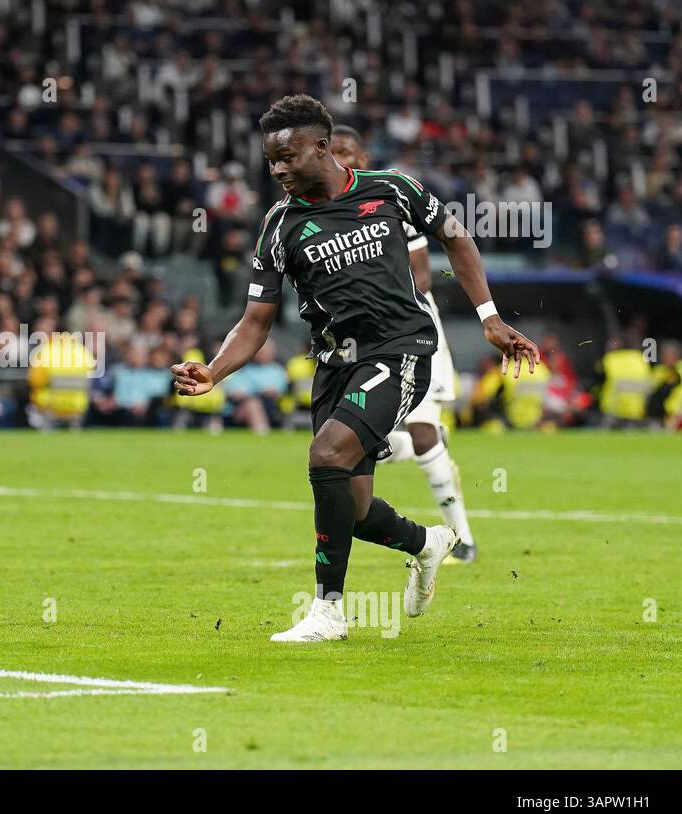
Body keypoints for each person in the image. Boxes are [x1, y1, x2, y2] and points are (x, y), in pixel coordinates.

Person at [172, 95, 538, 643]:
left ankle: (328, 610)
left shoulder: (389, 187)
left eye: (288, 157)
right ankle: (425, 543)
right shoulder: (279, 226)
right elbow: (255, 322)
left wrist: (488, 317)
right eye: (271, 161)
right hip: (334, 362)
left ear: (321, 148)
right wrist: (215, 371)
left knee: (325, 454)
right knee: (354, 506)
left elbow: (455, 236)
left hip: (401, 347)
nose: (278, 170)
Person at [330, 125, 479, 562]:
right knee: (346, 438)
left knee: (421, 429)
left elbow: (423, 277)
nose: (343, 159)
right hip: (363, 338)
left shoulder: (386, 202)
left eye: (349, 151)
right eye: (335, 152)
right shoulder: (323, 215)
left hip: (411, 330)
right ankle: (430, 449)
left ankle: (462, 537)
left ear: (363, 155)